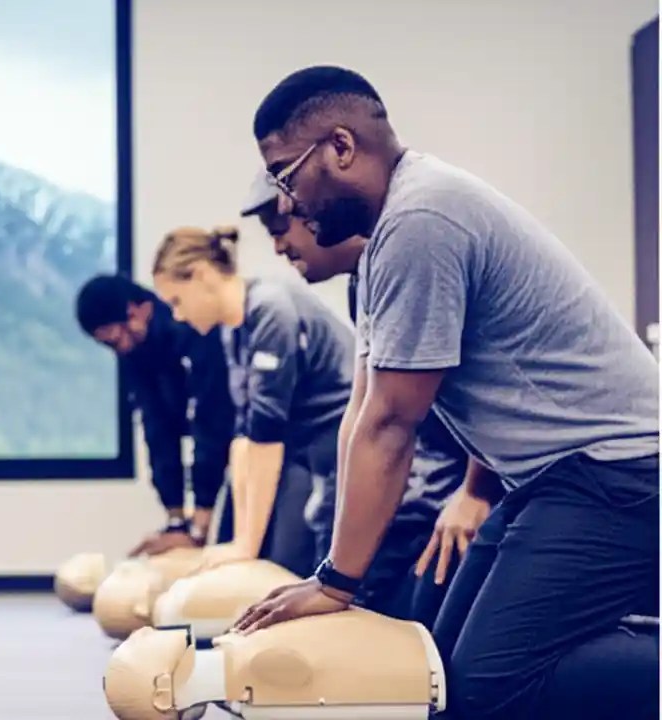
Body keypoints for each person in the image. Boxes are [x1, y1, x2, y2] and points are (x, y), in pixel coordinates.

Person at [232, 65, 660, 720]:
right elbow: (363, 414)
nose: (287, 204)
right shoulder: (386, 245)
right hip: (556, 479)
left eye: (286, 177)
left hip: (619, 473)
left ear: (341, 147)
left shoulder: (421, 221)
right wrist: (339, 571)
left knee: (490, 688)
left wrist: (337, 583)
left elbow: (391, 427)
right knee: (439, 672)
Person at [239, 178, 488, 627]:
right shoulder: (364, 284)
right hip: (426, 490)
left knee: (446, 651)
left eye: (283, 228)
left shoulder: (414, 258)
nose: (278, 247)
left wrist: (474, 490)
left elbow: (491, 384)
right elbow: (362, 414)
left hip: (467, 487)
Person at [151, 225, 353, 578]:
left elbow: (266, 434)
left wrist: (247, 546)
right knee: (236, 552)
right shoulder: (234, 329)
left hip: (335, 451)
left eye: (176, 302)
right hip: (299, 448)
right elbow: (245, 436)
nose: (178, 316)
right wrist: (237, 540)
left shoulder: (271, 309)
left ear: (201, 275)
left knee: (280, 567)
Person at [76, 274, 234, 553]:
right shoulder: (135, 353)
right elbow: (157, 432)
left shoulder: (191, 326)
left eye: (117, 339)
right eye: (109, 345)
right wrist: (176, 521)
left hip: (251, 442)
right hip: (216, 443)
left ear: (137, 311)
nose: (121, 349)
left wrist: (202, 516)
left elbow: (211, 421)